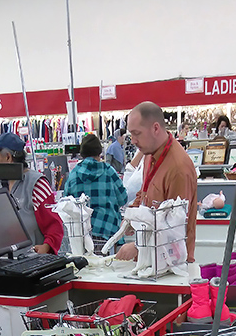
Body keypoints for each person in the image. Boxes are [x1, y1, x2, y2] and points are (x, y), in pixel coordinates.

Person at [116, 101, 198, 262]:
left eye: (137, 134)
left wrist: (138, 247)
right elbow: (144, 192)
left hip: (173, 263)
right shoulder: (149, 155)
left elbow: (175, 227)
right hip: (150, 259)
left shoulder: (179, 168)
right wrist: (131, 216)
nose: (133, 141)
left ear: (155, 128)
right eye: (131, 135)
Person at [0, 132, 64, 254]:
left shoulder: (37, 184)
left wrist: (46, 246)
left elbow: (54, 225)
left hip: (32, 260)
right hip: (3, 259)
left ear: (8, 157)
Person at [64, 134, 127, 249]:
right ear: (99, 152)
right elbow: (123, 199)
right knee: (109, 260)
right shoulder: (109, 171)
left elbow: (66, 204)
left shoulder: (73, 175)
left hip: (81, 234)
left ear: (82, 153)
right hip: (108, 231)